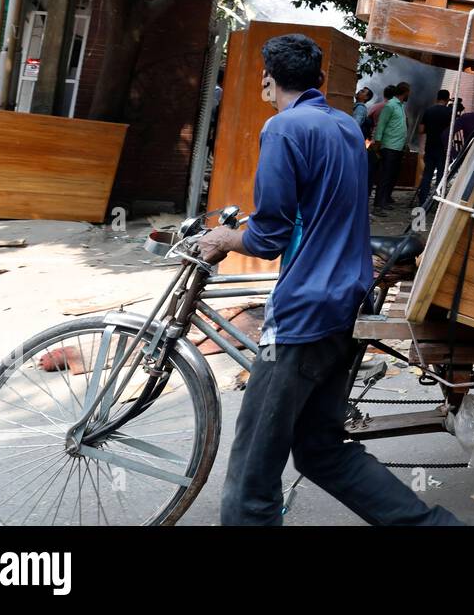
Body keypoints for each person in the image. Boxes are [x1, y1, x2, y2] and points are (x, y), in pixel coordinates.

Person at [197, 34, 459, 526]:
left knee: (253, 469)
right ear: (318, 79)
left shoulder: (283, 129)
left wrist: (221, 240)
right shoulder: (343, 126)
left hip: (304, 313)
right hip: (349, 301)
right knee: (320, 449)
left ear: (268, 79)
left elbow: (269, 234)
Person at [371, 81, 410, 214]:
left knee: (390, 176)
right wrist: (378, 142)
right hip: (389, 146)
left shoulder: (400, 106)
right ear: (405, 92)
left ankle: (384, 201)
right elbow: (381, 125)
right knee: (385, 177)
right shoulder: (391, 105)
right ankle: (377, 206)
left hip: (397, 147)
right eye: (408, 92)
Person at [416, 89, 453, 207]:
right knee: (441, 175)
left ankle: (422, 199)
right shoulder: (450, 112)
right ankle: (437, 202)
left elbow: (421, 130)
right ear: (447, 99)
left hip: (430, 146)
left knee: (427, 173)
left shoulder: (428, 111)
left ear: (437, 98)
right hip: (443, 148)